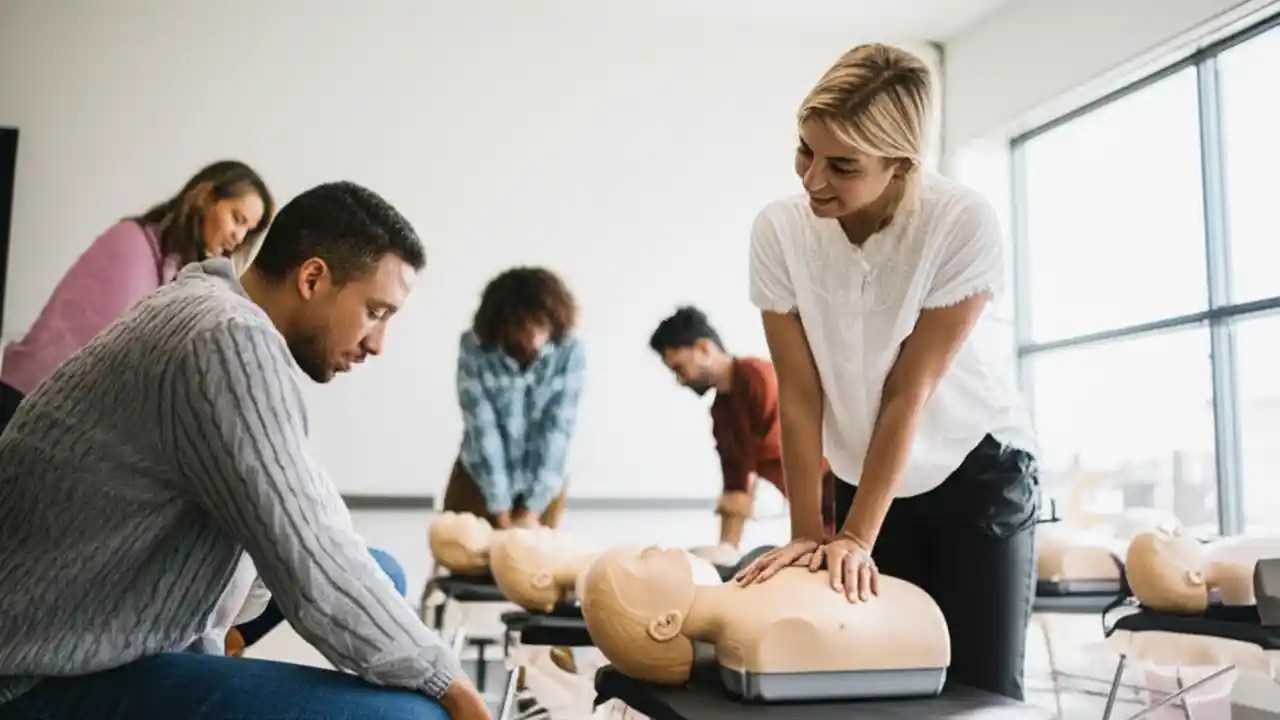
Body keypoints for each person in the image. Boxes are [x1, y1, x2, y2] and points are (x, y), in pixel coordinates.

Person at [0, 182, 490, 719]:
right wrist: (454, 689)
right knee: (415, 716)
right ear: (312, 278)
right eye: (375, 311)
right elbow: (312, 557)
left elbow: (314, 512)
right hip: (44, 670)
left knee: (383, 577)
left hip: (92, 617)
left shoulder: (208, 306)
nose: (378, 342)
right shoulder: (226, 340)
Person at [732, 44, 1041, 701]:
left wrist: (854, 537)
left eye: (841, 165)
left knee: (978, 695)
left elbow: (911, 388)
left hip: (975, 470)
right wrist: (809, 535)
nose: (813, 179)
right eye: (804, 152)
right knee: (878, 685)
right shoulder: (779, 230)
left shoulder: (961, 222)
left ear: (900, 164)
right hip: (862, 475)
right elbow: (800, 389)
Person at [0, 160, 274, 434]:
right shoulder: (131, 243)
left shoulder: (176, 268)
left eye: (248, 230)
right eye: (237, 219)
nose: (239, 237)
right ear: (204, 197)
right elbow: (121, 355)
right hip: (30, 407)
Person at [648, 306, 836, 554]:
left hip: (834, 496)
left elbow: (747, 470)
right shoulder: (721, 412)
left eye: (679, 368)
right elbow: (736, 479)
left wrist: (727, 549)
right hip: (817, 514)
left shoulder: (757, 379)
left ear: (704, 348)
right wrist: (726, 549)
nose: (680, 380)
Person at [446, 267, 586, 530]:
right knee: (466, 561)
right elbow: (482, 428)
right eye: (522, 326)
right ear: (502, 324)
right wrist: (501, 514)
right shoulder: (474, 347)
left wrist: (532, 511)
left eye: (541, 324)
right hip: (479, 479)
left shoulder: (571, 352)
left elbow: (558, 430)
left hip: (544, 486)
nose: (533, 336)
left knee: (535, 565)